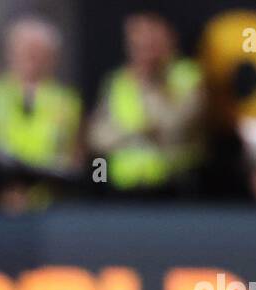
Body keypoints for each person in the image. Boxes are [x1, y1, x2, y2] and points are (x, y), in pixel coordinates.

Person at [0, 17, 82, 211]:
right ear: (11, 53)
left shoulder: (66, 101)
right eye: (25, 51)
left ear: (52, 57)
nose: (32, 58)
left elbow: (73, 160)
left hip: (48, 205)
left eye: (39, 53)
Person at [86, 11, 204, 196]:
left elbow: (175, 126)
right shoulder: (116, 81)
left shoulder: (186, 75)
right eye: (138, 45)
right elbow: (97, 137)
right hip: (122, 187)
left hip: (172, 186)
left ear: (167, 42)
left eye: (152, 45)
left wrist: (155, 85)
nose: (146, 53)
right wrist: (137, 131)